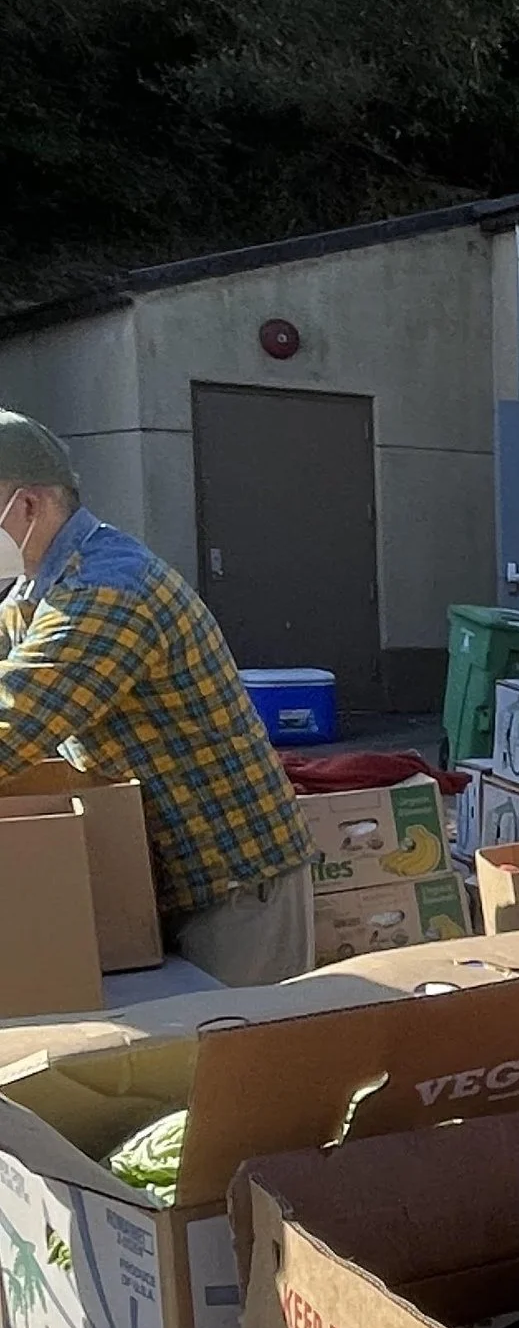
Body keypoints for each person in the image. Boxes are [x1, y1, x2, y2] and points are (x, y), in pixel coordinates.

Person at [0, 413, 315, 987]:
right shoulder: (35, 586)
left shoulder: (105, 591)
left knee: (237, 1059)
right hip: (154, 874)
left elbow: (13, 723)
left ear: (26, 507)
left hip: (232, 880)